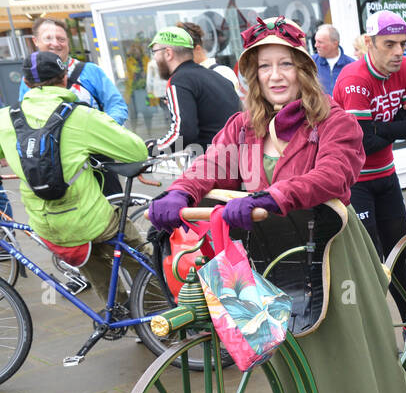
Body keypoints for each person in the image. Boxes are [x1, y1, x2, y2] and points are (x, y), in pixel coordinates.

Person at [146, 17, 406, 393]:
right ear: (252, 76)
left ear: (303, 68)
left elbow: (333, 177)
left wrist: (267, 198)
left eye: (285, 64)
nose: (275, 75)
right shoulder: (243, 128)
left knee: (356, 349)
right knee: (285, 352)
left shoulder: (332, 122)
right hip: (267, 252)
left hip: (331, 247)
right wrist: (179, 194)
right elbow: (208, 166)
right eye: (264, 67)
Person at [0, 52, 148, 309]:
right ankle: (159, 318)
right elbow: (136, 152)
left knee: (88, 257)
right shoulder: (80, 116)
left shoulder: (5, 119)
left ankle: (116, 313)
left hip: (47, 227)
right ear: (65, 78)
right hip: (89, 219)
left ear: (25, 81)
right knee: (139, 256)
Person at [331, 10, 406, 323]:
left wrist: (381, 128)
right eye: (390, 44)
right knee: (369, 264)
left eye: (403, 43)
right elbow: (362, 143)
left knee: (399, 256)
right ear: (370, 43)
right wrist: (399, 120)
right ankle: (378, 339)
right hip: (355, 182)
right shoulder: (355, 79)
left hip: (386, 177)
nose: (399, 51)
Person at [150, 26, 242, 158]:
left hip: (214, 164)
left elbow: (183, 134)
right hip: (239, 157)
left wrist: (154, 148)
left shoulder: (178, 80)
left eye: (155, 52)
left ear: (168, 53)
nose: (154, 59)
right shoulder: (215, 76)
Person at [20, 16, 129, 125]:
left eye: (61, 39)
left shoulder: (90, 71)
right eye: (48, 38)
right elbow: (24, 117)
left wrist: (104, 130)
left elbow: (117, 106)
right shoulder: (31, 77)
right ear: (36, 41)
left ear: (68, 41)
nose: (55, 43)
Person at [176, 21, 243, 100]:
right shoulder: (186, 77)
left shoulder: (222, 72)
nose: (179, 59)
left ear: (197, 49)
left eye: (183, 53)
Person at [312, 24, 354, 94]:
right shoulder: (310, 63)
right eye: (315, 41)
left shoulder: (352, 65)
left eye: (320, 42)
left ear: (335, 44)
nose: (316, 45)